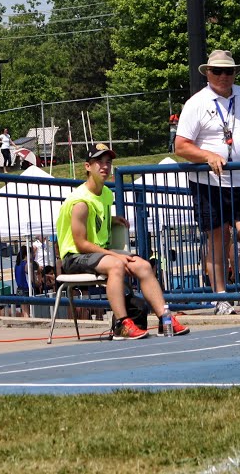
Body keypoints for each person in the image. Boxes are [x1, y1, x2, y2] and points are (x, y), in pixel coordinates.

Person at [174, 49, 240, 315]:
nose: (223, 76)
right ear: (207, 73)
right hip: (209, 182)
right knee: (218, 238)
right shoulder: (196, 103)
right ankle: (220, 297)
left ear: (235, 73)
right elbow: (181, 146)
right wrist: (208, 155)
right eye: (217, 71)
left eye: (228, 71)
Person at [54, 143, 189, 339]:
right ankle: (122, 324)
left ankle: (164, 319)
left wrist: (111, 220)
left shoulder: (107, 194)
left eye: (108, 162)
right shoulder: (80, 202)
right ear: (87, 167)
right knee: (117, 264)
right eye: (99, 162)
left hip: (96, 254)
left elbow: (95, 220)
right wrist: (114, 254)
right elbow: (81, 243)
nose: (104, 167)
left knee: (143, 265)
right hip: (74, 258)